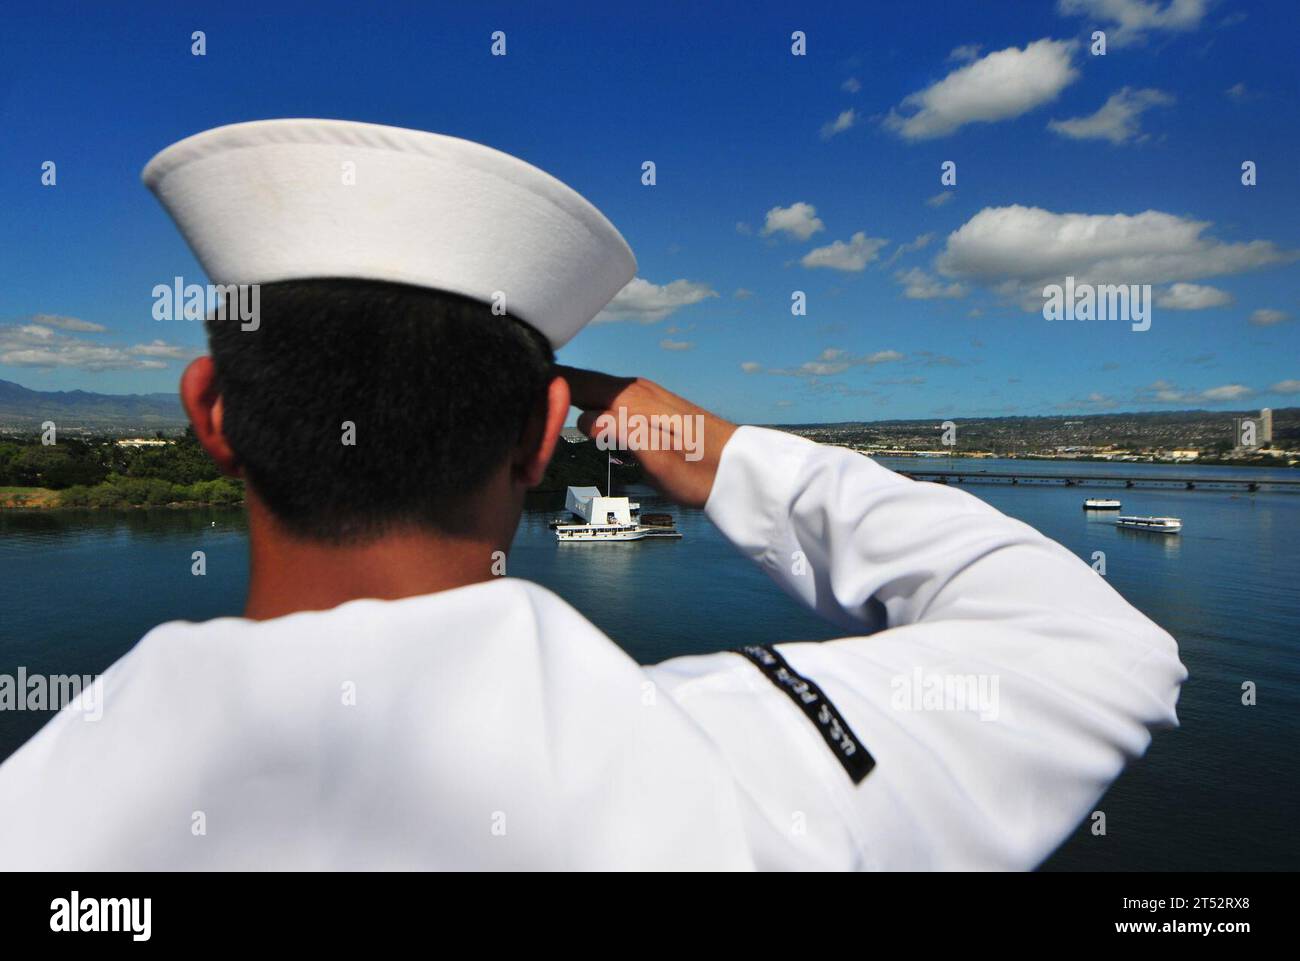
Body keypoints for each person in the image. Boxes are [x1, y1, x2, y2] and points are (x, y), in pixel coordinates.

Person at [0, 120, 1185, 870]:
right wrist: (701, 444)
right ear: (543, 436)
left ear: (208, 412)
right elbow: (1096, 645)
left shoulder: (37, 817)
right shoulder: (738, 782)